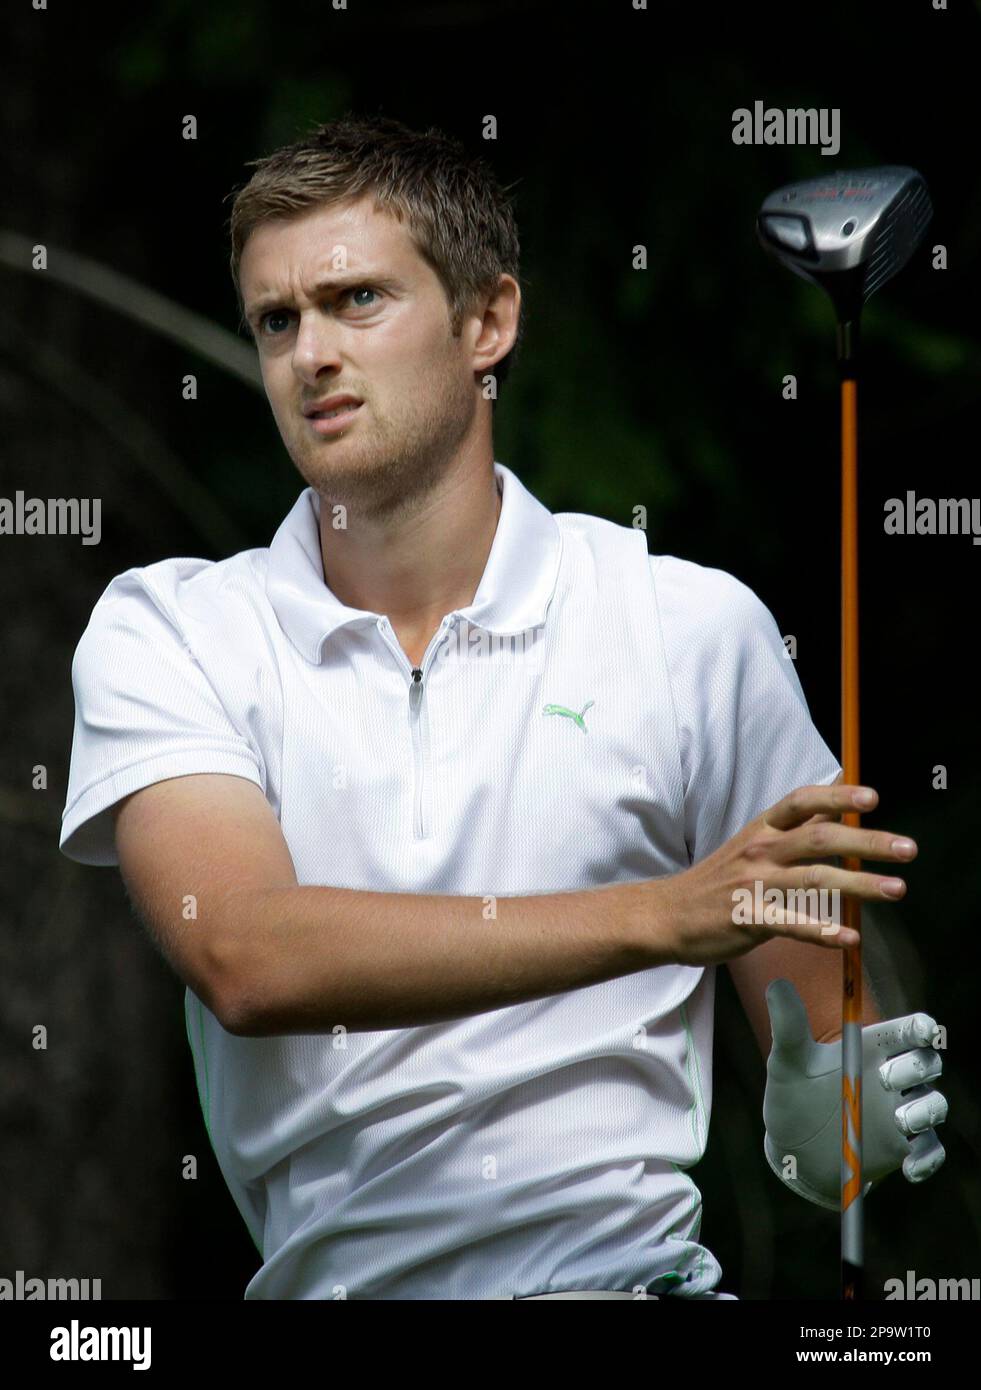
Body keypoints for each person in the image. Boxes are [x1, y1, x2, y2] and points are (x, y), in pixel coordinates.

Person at [58, 114, 945, 1301]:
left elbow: (826, 1135)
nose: (310, 351)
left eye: (356, 300)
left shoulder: (688, 628)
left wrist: (841, 1124)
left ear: (489, 323)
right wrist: (663, 916)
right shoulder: (170, 629)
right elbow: (244, 953)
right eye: (278, 319)